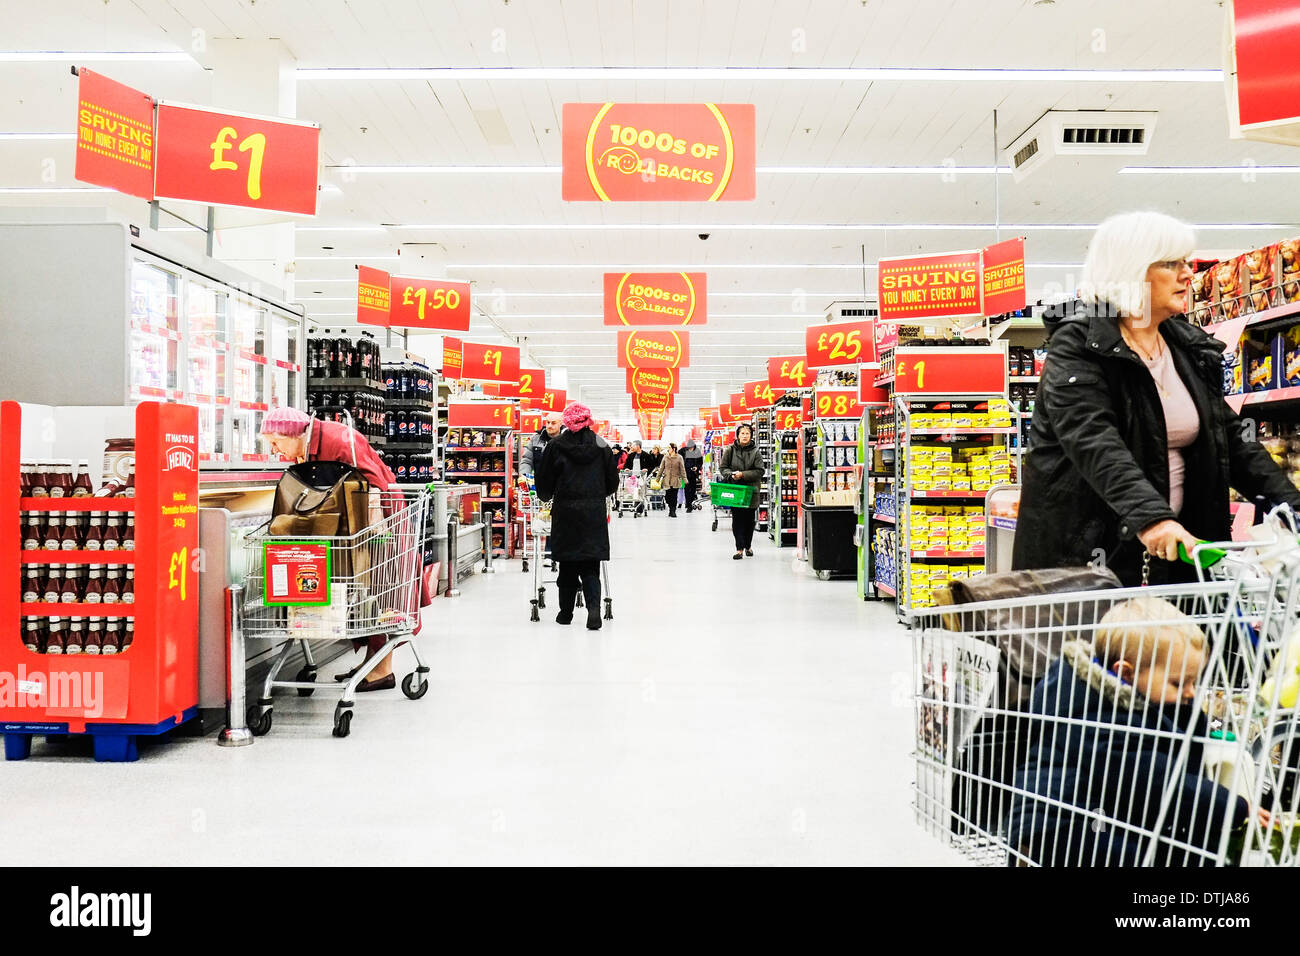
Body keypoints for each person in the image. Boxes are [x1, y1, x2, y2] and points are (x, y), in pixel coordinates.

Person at [1013, 211, 1300, 587]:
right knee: (1115, 648)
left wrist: (1290, 507)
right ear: (1130, 270)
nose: (1188, 273)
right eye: (1171, 263)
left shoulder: (1186, 345)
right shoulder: (1079, 347)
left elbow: (1229, 438)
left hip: (1182, 554)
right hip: (1091, 561)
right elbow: (1095, 441)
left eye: (1187, 261)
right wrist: (1151, 518)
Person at [1006, 597, 1257, 866]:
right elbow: (1157, 783)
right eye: (1179, 682)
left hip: (1082, 821)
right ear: (1125, 673)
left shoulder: (1114, 699)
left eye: (1195, 681)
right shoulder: (1099, 718)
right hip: (1057, 833)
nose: (1191, 692)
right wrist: (1233, 807)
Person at [261, 407, 406, 692]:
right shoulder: (310, 447)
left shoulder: (339, 440)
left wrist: (374, 527)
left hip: (375, 521)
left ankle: (382, 669)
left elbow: (374, 482)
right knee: (359, 590)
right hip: (350, 522)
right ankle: (373, 661)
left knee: (378, 590)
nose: (277, 451)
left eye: (276, 443)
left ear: (292, 434)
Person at [535, 402, 619, 630]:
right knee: (590, 563)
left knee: (568, 564)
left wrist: (545, 495)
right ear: (588, 420)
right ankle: (593, 610)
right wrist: (599, 492)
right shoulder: (602, 445)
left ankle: (565, 613)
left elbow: (544, 481)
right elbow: (613, 481)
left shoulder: (555, 445)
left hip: (566, 511)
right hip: (593, 512)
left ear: (567, 422)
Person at [718, 423, 764, 559]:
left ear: (751, 435)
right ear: (737, 435)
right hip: (735, 491)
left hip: (751, 491)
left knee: (749, 521)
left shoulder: (756, 452)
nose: (744, 436)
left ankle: (748, 546)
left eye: (747, 433)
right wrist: (731, 474)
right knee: (737, 520)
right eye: (742, 433)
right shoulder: (730, 450)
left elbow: (760, 471)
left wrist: (743, 474)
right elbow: (723, 468)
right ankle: (739, 548)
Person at [520, 411, 562, 479]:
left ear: (560, 424)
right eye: (548, 422)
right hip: (539, 484)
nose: (550, 426)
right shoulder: (535, 439)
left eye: (553, 423)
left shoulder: (566, 440)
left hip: (560, 484)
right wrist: (525, 476)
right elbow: (527, 460)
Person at [654, 443, 687, 517]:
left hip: (675, 480)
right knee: (668, 497)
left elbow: (682, 469)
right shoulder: (665, 457)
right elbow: (661, 468)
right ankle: (670, 507)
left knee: (674, 496)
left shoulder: (679, 457)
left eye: (669, 448)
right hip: (667, 480)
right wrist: (658, 478)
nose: (668, 449)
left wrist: (685, 479)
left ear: (674, 449)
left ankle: (673, 511)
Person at [680, 438, 704, 512]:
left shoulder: (697, 452)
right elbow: (678, 455)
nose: (691, 449)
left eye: (692, 447)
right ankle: (688, 504)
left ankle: (690, 502)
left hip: (693, 473)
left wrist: (697, 467)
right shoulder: (683, 451)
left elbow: (700, 462)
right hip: (685, 472)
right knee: (686, 489)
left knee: (693, 489)